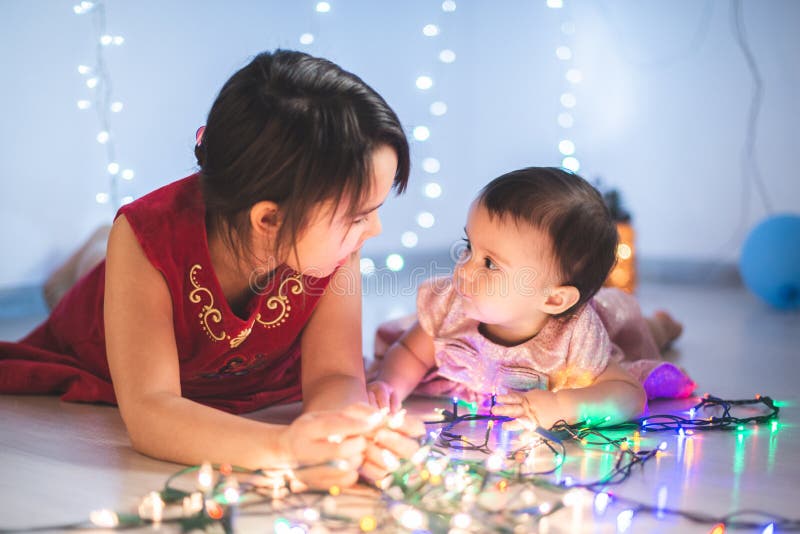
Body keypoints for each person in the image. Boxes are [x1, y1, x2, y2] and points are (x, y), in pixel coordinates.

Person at [0, 50, 423, 487]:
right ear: (269, 220)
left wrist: (341, 436)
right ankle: (87, 259)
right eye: (358, 217)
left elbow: (335, 374)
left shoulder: (328, 243)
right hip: (100, 333)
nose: (374, 229)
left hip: (235, 362)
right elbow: (151, 411)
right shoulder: (146, 235)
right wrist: (283, 448)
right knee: (107, 271)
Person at [367, 167, 694, 429]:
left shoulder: (575, 337)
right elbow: (411, 352)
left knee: (638, 334)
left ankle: (662, 325)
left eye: (490, 263)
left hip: (607, 325)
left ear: (553, 300)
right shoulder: (453, 307)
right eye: (469, 248)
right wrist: (390, 386)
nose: (464, 269)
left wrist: (562, 405)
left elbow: (629, 396)